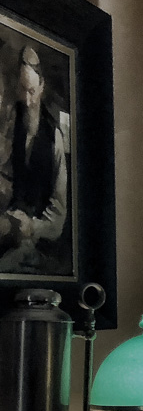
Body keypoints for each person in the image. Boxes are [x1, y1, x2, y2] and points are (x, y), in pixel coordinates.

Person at [0, 45, 69, 273]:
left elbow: (58, 217)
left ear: (41, 87)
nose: (27, 101)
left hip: (40, 242)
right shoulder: (11, 123)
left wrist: (32, 226)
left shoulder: (54, 138)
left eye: (32, 91)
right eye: (22, 90)